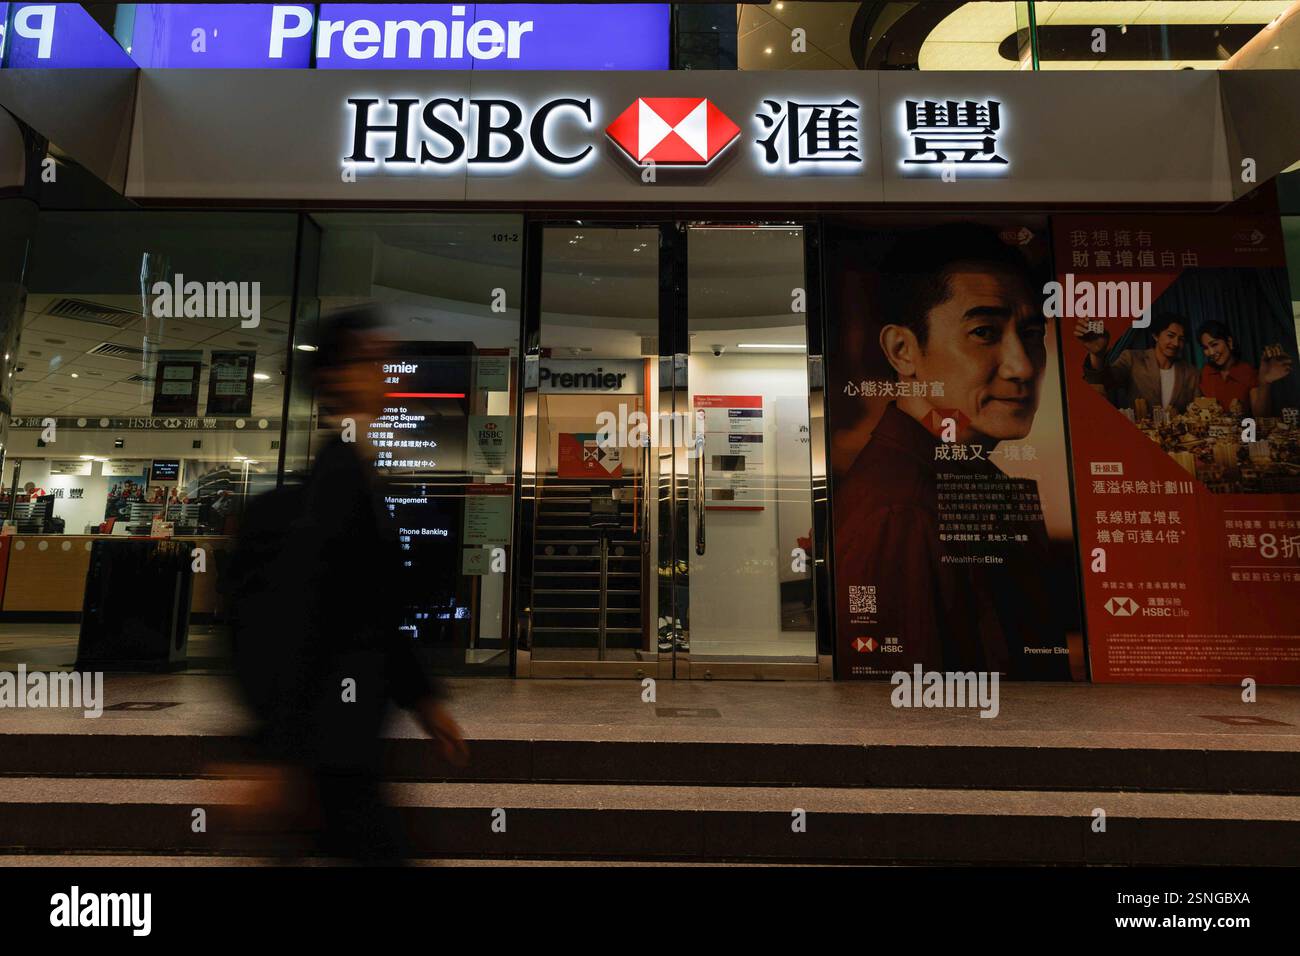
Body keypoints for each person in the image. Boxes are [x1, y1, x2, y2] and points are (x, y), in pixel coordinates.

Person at [228, 306, 467, 863]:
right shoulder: (336, 484)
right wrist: (279, 754)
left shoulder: (355, 474)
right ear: (334, 378)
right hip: (328, 742)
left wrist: (422, 696)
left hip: (343, 742)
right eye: (372, 361)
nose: (388, 374)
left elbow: (370, 605)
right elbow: (303, 613)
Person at [836, 223, 1070, 679]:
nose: (1022, 366)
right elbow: (906, 713)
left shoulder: (956, 475)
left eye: (1032, 334)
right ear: (903, 350)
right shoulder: (902, 510)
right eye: (984, 332)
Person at [1076, 312, 1199, 414]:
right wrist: (1098, 355)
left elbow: (1198, 408)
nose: (1176, 343)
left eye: (1181, 339)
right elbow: (1103, 382)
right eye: (1170, 336)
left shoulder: (1191, 372)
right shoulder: (1132, 358)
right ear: (1156, 336)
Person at [1197, 319, 1293, 418]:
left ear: (1229, 342)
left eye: (1214, 344)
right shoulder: (1206, 372)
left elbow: (1261, 416)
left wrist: (1265, 382)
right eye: (1205, 348)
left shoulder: (1247, 371)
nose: (1211, 352)